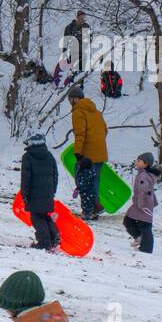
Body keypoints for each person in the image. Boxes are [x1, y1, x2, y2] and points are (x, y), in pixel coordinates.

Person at [68, 84, 108, 220]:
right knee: (95, 180)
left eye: (70, 99)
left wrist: (78, 153)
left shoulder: (78, 112)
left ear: (74, 99)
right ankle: (95, 206)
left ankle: (90, 208)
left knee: (82, 179)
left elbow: (80, 134)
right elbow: (105, 130)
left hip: (87, 154)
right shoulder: (96, 112)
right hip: (101, 152)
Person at [20, 133, 59, 251]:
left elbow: (25, 176)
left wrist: (24, 193)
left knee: (36, 217)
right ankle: (54, 237)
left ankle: (44, 242)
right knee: (44, 215)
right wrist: (52, 190)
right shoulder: (49, 155)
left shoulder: (27, 156)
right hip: (47, 191)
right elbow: (55, 174)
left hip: (34, 192)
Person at [123, 152, 160, 253]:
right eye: (137, 160)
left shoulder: (143, 176)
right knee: (128, 220)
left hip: (143, 204)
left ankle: (146, 248)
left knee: (145, 225)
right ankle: (139, 237)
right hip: (142, 203)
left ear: (146, 163)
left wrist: (142, 205)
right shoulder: (145, 174)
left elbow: (143, 190)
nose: (137, 162)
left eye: (139, 161)